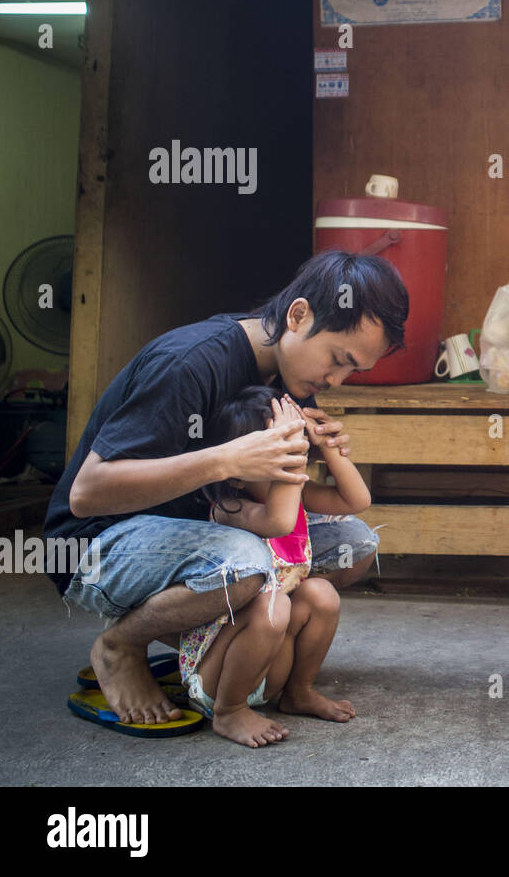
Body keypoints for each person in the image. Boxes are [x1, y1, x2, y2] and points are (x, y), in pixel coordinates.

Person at [44, 251, 408, 727]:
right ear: (298, 315)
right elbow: (86, 493)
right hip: (99, 542)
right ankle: (121, 645)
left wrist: (324, 452)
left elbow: (285, 506)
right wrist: (225, 460)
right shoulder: (190, 362)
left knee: (353, 543)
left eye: (352, 371)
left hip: (205, 530)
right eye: (338, 360)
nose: (336, 380)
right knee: (245, 564)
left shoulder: (290, 377)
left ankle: (239, 642)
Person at [178, 388, 368, 747]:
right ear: (236, 475)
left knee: (320, 594)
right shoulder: (229, 508)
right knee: (274, 603)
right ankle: (229, 713)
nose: (294, 466)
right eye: (278, 456)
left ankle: (299, 692)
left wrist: (325, 446)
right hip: (218, 677)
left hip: (268, 671)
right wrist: (291, 451)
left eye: (297, 453)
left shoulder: (293, 493)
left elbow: (356, 500)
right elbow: (278, 521)